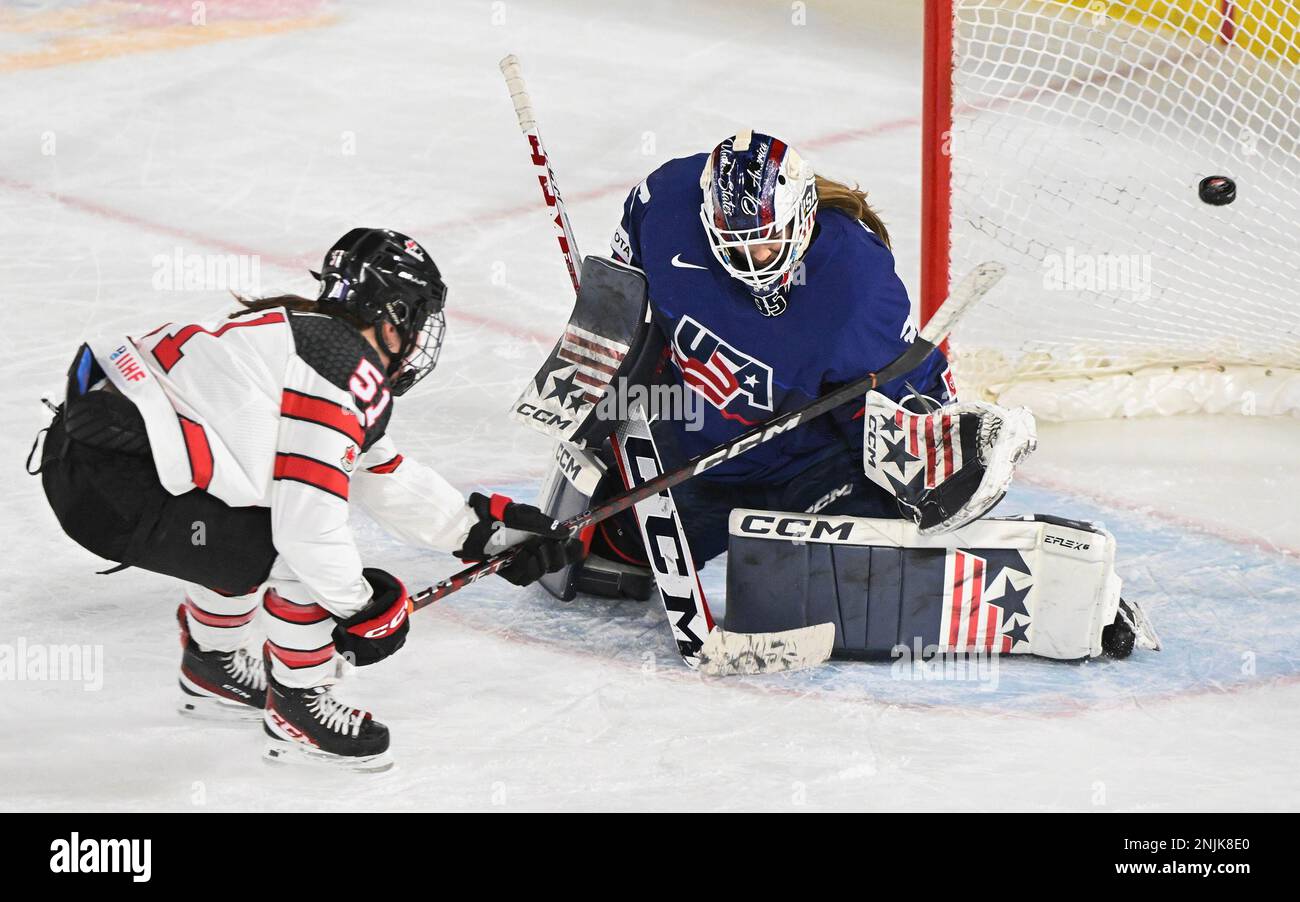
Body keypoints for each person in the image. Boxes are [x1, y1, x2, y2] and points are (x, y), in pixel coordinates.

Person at [33, 227, 581, 771]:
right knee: (296, 552)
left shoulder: (306, 336)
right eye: (418, 319)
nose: (418, 341)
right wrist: (361, 608)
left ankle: (214, 664)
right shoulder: (339, 368)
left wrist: (477, 533)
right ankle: (301, 706)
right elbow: (308, 530)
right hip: (117, 492)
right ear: (394, 313)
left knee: (249, 505)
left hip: (86, 465)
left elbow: (376, 469)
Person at [585, 130, 958, 574]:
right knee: (610, 558)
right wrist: (603, 402)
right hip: (695, 454)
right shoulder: (664, 205)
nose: (754, 257)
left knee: (832, 586)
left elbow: (908, 396)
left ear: (803, 213)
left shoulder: (856, 286)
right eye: (736, 242)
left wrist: (936, 450)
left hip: (812, 469)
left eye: (768, 238)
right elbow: (620, 306)